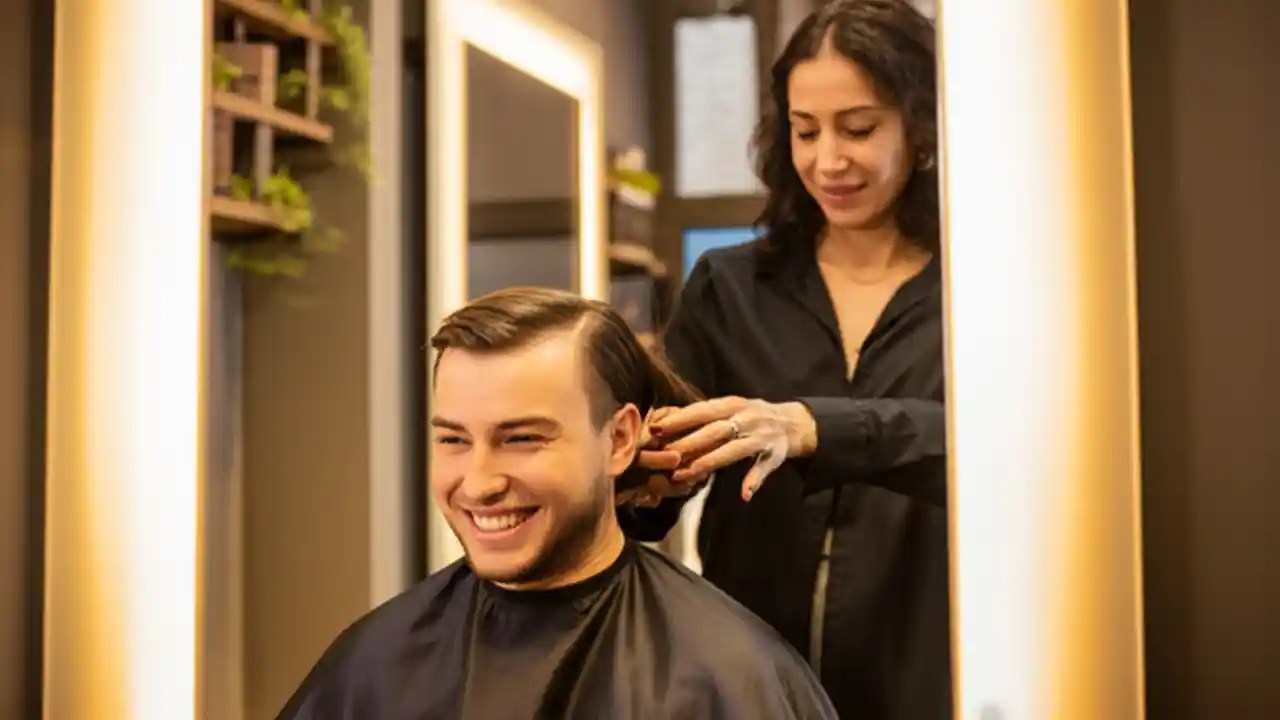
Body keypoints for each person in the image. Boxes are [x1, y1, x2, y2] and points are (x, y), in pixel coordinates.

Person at [275, 287, 838, 719]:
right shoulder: (374, 664)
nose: (479, 482)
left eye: (521, 439)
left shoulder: (729, 676)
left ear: (618, 440)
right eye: (453, 439)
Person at [621, 2, 949, 718]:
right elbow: (662, 482)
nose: (828, 160)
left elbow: (980, 449)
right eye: (806, 131)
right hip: (752, 684)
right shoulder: (728, 286)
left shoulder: (975, 291)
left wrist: (810, 427)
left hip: (928, 677)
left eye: (858, 128)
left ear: (921, 128)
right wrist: (644, 476)